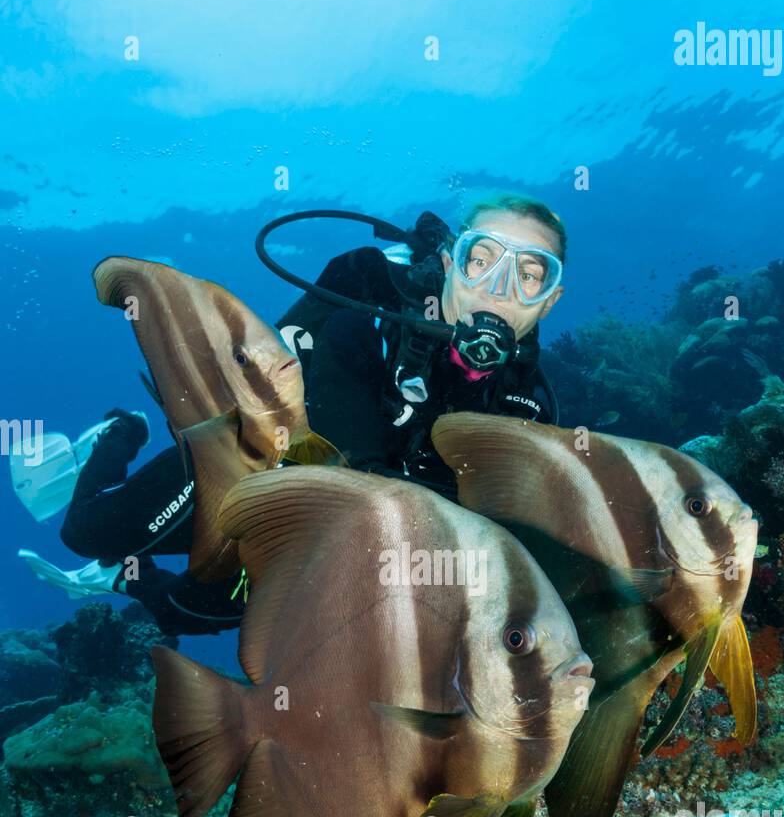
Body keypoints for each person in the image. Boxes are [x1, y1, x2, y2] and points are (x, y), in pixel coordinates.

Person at [49, 194, 568, 636]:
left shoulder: (532, 405)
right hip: (254, 461)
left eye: (530, 275)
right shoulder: (364, 322)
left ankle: (122, 578)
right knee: (84, 533)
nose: (501, 288)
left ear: (549, 301)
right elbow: (353, 471)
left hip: (341, 534)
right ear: (453, 263)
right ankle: (120, 434)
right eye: (484, 260)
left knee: (190, 613)